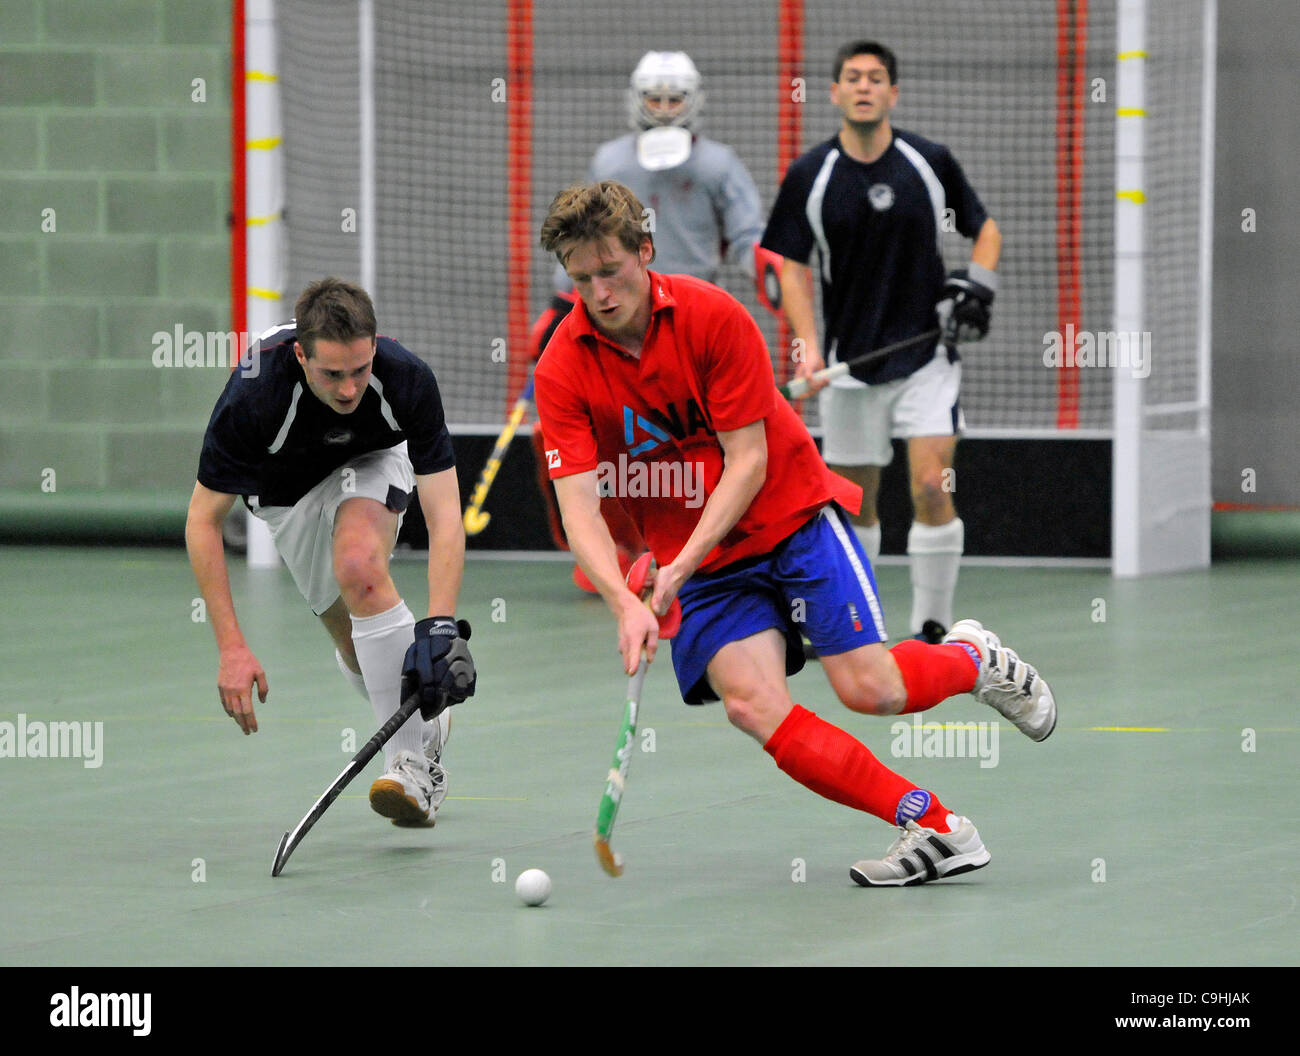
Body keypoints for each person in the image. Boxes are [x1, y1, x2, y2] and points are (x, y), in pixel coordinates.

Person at [533, 181, 1054, 886]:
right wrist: (625, 600)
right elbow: (579, 507)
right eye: (580, 277)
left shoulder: (712, 317)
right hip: (706, 566)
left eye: (611, 270)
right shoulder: (564, 364)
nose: (598, 291)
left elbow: (747, 463)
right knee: (752, 706)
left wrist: (676, 568)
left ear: (645, 251)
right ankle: (934, 826)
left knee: (872, 690)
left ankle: (970, 657)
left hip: (787, 520)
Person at [186, 277, 476, 829]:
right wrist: (231, 648)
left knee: (359, 567)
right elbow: (202, 521)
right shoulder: (254, 393)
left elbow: (444, 515)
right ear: (301, 354)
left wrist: (440, 627)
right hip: (283, 496)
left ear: (375, 346)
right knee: (356, 649)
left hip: (370, 462)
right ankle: (425, 729)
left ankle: (411, 768)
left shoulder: (407, 378)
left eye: (361, 370)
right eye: (332, 374)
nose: (349, 390)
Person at [761, 39, 1002, 644]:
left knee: (930, 484)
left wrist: (978, 290)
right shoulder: (810, 176)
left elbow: (985, 229)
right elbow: (791, 263)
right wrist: (810, 348)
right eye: (852, 77)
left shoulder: (928, 161)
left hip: (927, 358)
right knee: (851, 508)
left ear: (893, 93)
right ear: (836, 92)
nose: (864, 86)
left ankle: (933, 626)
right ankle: (858, 625)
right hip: (850, 367)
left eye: (875, 78)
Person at [526, 50, 780, 591]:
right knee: (610, 449)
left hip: (687, 322)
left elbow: (747, 236)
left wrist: (770, 273)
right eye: (654, 97)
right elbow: (585, 240)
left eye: (674, 98)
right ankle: (620, 552)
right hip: (612, 327)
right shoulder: (611, 161)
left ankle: (713, 551)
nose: (664, 109)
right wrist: (554, 310)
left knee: (711, 449)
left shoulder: (718, 164)